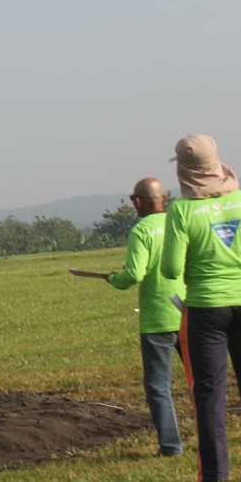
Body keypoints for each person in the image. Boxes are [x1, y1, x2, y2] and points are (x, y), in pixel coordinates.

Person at [159, 134, 241, 482]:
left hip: (206, 310)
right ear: (218, 163)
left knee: (210, 392)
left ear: (184, 171)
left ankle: (215, 477)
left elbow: (170, 269)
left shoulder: (182, 210)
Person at [95, 177, 186, 456]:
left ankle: (171, 447)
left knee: (159, 386)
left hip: (157, 319)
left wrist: (114, 279)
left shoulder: (141, 231)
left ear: (137, 202)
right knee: (203, 382)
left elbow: (134, 274)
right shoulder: (179, 223)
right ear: (165, 199)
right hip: (189, 312)